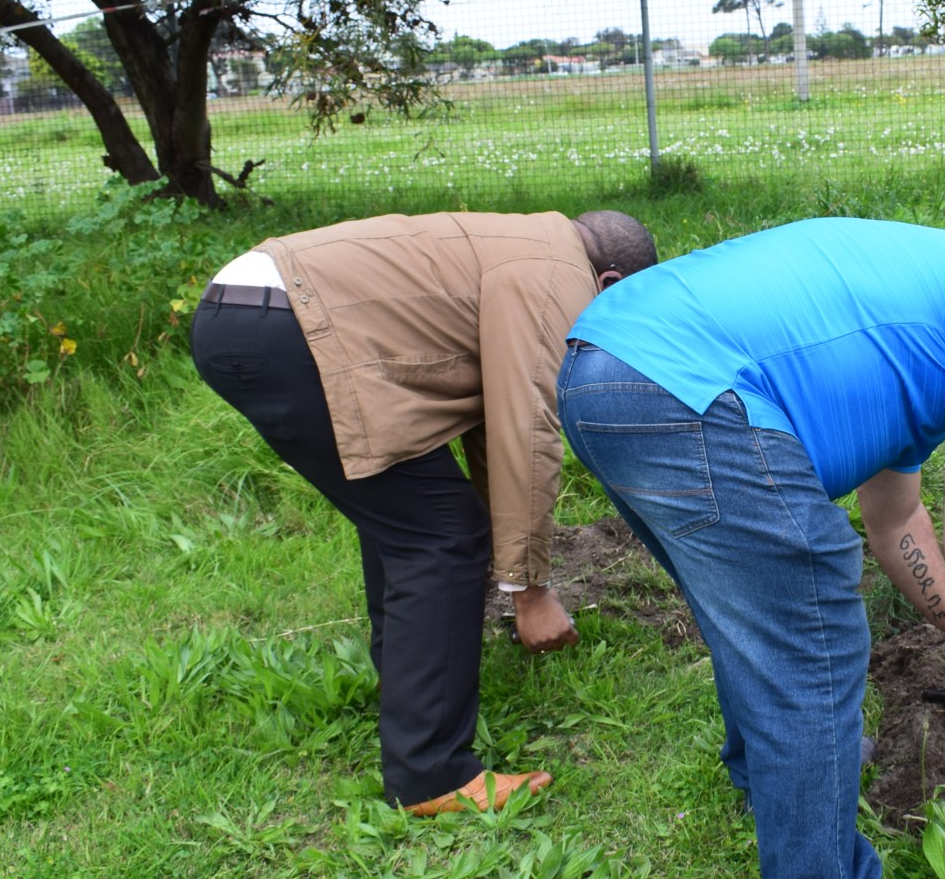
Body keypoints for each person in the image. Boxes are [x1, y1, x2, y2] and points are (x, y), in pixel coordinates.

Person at [556, 213, 945, 879]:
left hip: (603, 371)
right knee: (813, 636)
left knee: (754, 606)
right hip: (687, 386)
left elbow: (895, 515)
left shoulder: (922, 313)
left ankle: (766, 778)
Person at [190, 209, 657, 816]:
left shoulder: (523, 237)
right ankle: (429, 774)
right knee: (442, 535)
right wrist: (530, 593)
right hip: (289, 328)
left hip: (240, 311)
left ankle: (410, 684)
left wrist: (517, 562)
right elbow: (525, 426)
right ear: (612, 283)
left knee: (412, 513)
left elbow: (495, 428)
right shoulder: (560, 276)